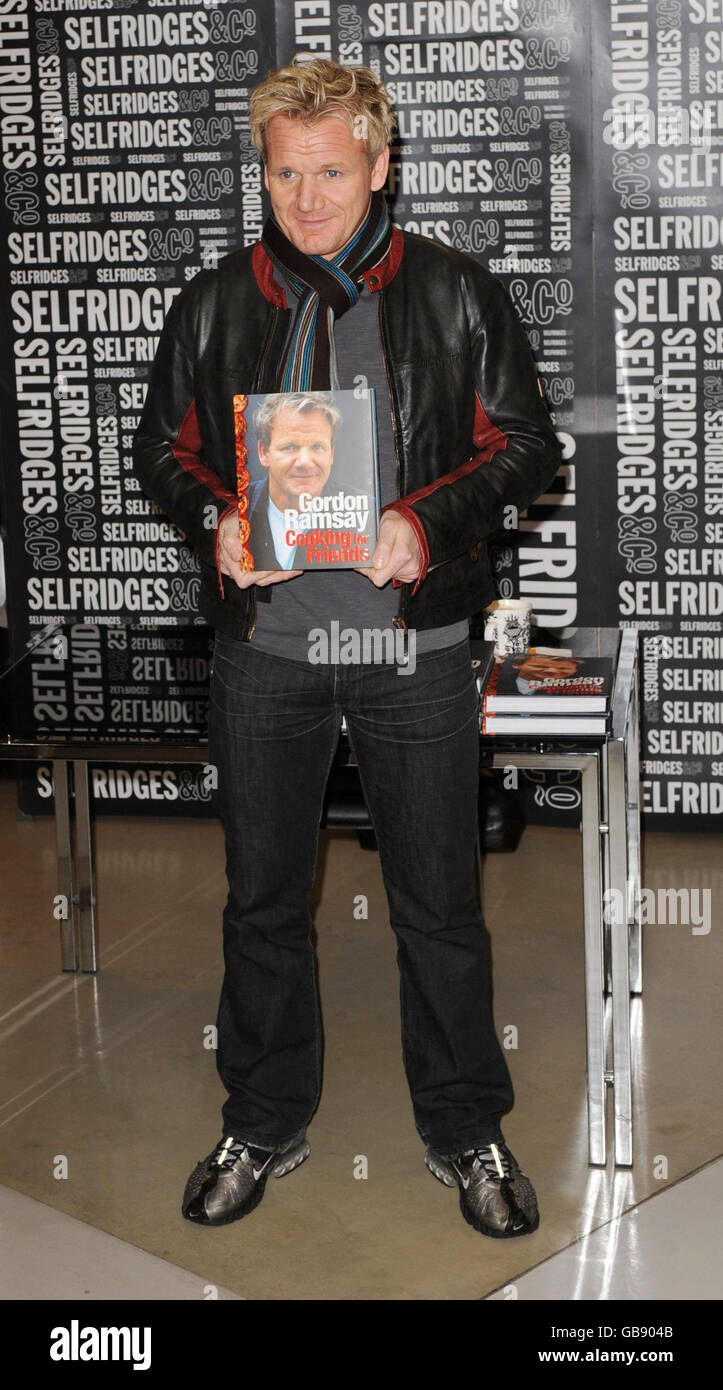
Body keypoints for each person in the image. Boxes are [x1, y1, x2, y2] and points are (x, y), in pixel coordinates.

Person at [133, 58, 563, 1239]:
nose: (308, 197)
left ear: (380, 165)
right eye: (286, 172)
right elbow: (158, 449)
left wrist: (427, 523)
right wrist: (216, 521)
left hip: (412, 649)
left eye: (332, 171)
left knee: (437, 902)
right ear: (262, 169)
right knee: (261, 900)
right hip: (267, 649)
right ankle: (262, 1115)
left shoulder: (459, 293)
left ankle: (467, 1122)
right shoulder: (218, 301)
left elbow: (526, 448)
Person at [247, 392, 374, 570]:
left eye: (317, 447)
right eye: (290, 447)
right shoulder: (238, 512)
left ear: (331, 454)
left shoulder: (367, 512)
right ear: (263, 452)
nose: (305, 462)